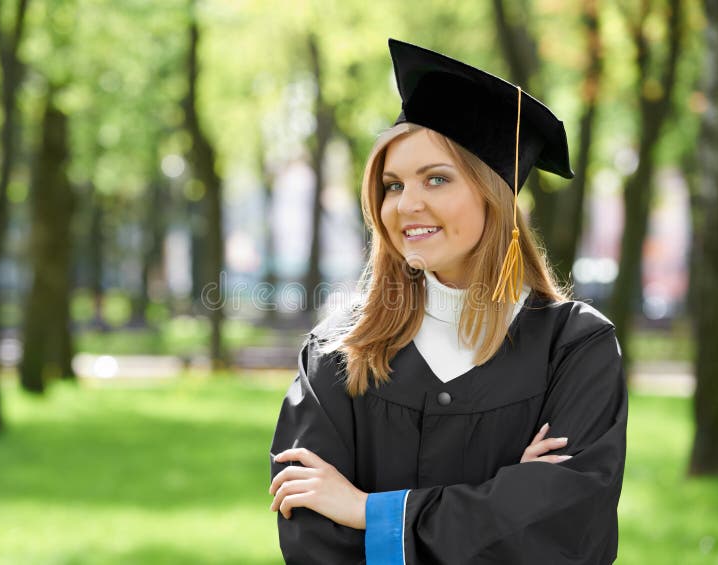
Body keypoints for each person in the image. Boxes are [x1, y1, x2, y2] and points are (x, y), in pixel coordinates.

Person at [267, 38, 627, 565]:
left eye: (436, 179)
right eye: (392, 185)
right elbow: (313, 538)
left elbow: (563, 532)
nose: (407, 205)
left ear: (493, 194)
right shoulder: (336, 352)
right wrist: (501, 498)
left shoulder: (573, 350)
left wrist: (369, 511)